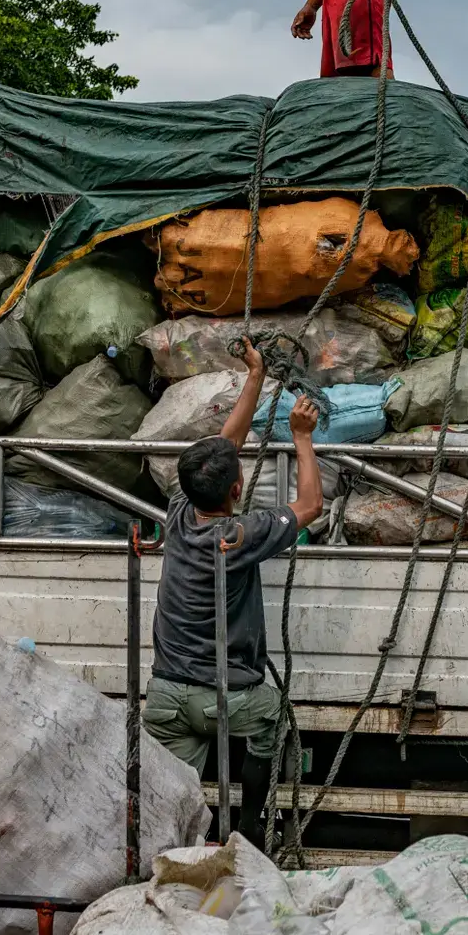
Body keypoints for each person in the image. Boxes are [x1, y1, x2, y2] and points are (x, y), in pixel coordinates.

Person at [143, 340, 326, 845]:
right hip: (222, 700)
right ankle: (248, 827)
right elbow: (310, 505)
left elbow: (227, 443)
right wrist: (302, 437)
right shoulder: (239, 536)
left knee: (170, 815)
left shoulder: (180, 509)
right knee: (273, 716)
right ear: (236, 492)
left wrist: (255, 376)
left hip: (164, 695)